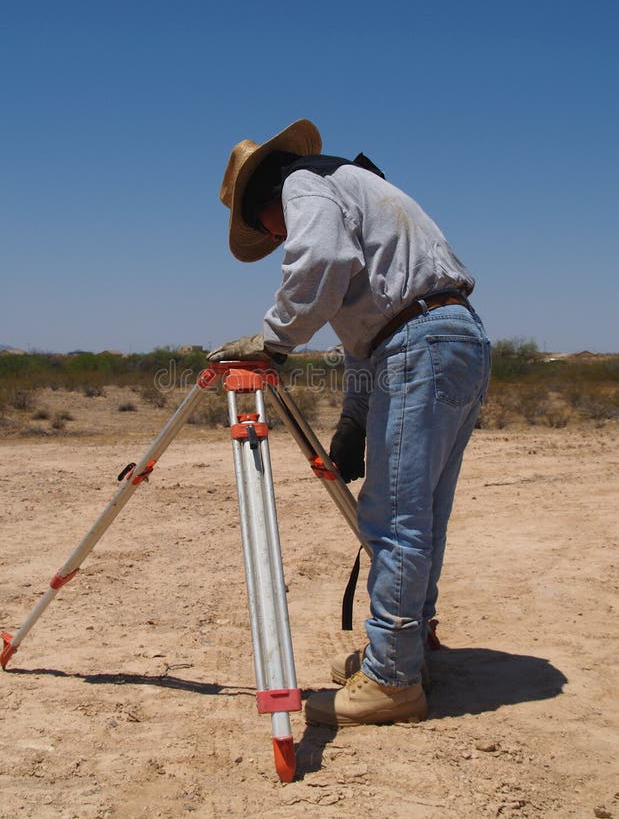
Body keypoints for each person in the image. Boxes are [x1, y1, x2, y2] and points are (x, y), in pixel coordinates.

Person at [208, 119, 491, 727]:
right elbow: (367, 336)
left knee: (393, 520)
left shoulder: (302, 184)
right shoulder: (347, 185)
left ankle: (392, 680)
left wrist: (274, 340)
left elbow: (322, 262)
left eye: (267, 229)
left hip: (422, 347)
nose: (276, 237)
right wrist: (353, 424)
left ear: (265, 211)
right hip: (448, 340)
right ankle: (407, 651)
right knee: (421, 516)